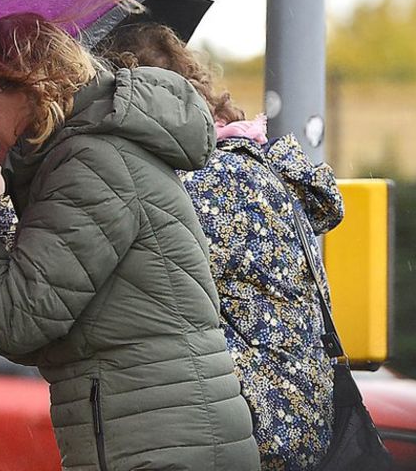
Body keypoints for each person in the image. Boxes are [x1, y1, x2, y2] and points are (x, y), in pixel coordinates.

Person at [0, 13, 259, 471]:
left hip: (164, 442)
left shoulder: (93, 162)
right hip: (153, 435)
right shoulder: (77, 160)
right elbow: (75, 327)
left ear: (28, 84)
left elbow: (23, 316)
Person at [95, 23, 346, 470]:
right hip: (302, 415)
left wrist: (0, 208)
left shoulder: (210, 185)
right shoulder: (254, 166)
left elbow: (99, 268)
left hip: (251, 426)